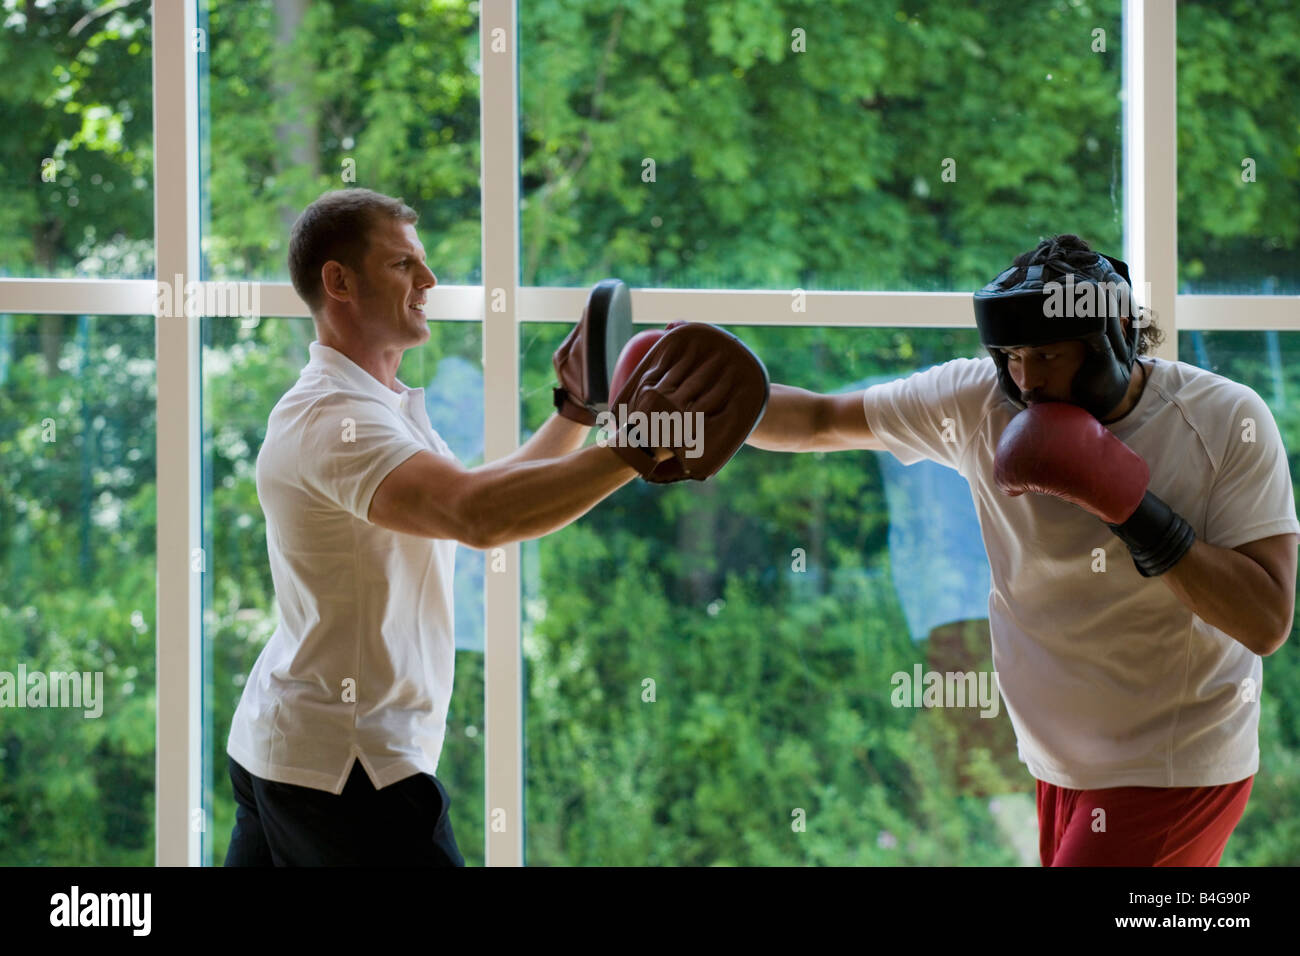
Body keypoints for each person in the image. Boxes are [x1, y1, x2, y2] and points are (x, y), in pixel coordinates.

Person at [224, 187, 766, 866]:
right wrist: (636, 447)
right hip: (346, 769)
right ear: (339, 281)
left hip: (290, 746)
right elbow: (479, 516)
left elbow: (484, 496)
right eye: (403, 266)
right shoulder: (334, 420)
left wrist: (573, 414)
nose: (429, 281)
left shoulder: (376, 406)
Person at [746, 233, 1298, 866]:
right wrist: (704, 409)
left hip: (1174, 767)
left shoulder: (1224, 418)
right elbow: (819, 419)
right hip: (1057, 768)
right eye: (1010, 354)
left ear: (1113, 337)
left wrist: (1134, 512)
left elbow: (1266, 618)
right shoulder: (980, 401)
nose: (1025, 378)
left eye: (1047, 354)